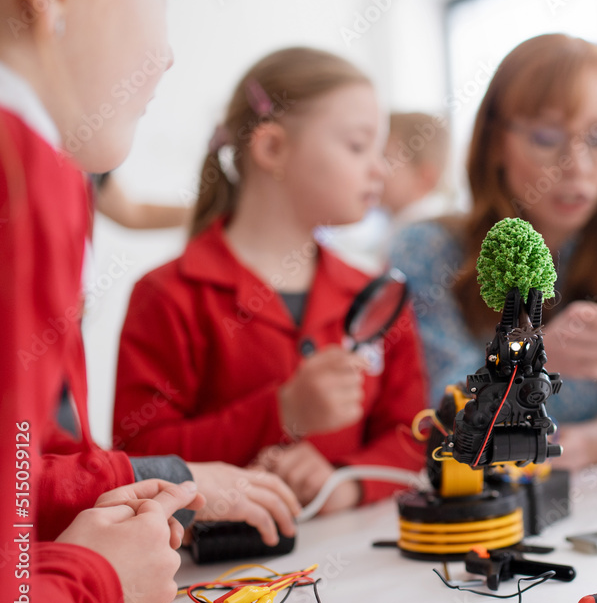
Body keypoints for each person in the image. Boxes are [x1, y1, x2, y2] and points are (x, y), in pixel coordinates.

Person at [0, 0, 296, 603]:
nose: (167, 55)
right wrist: (96, 584)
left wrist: (147, 484)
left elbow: (21, 475)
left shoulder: (46, 175)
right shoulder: (28, 174)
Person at [113, 48, 428, 513]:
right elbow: (139, 458)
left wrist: (346, 482)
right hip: (219, 577)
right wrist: (281, 413)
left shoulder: (381, 294)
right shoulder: (167, 294)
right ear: (272, 148)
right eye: (359, 146)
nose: (380, 169)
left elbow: (414, 433)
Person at [391, 34, 597, 471]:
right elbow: (437, 413)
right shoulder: (428, 250)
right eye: (547, 137)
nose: (577, 165)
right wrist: (533, 359)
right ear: (495, 142)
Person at [317, 111, 451, 273]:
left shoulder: (421, 240)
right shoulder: (396, 226)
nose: (376, 169)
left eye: (386, 159)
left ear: (425, 178)